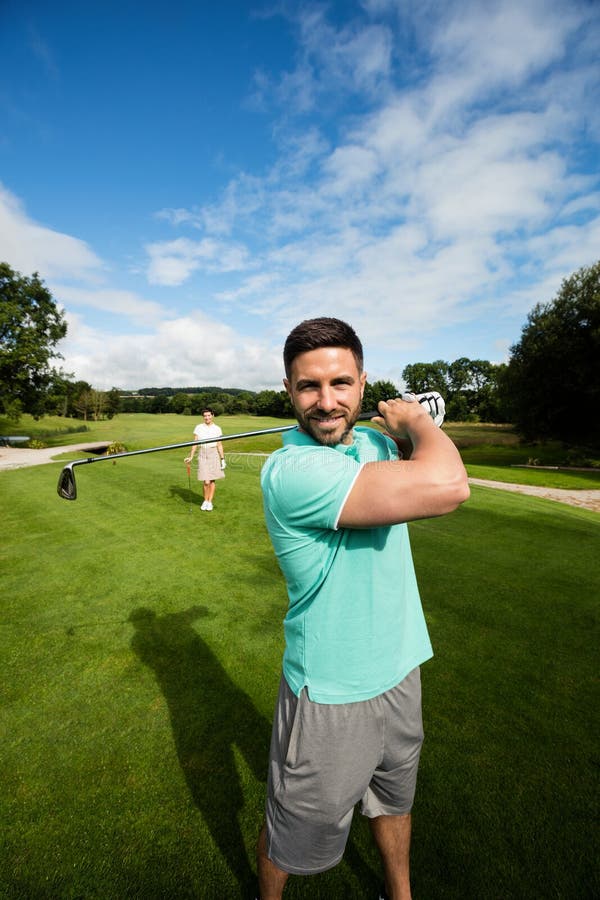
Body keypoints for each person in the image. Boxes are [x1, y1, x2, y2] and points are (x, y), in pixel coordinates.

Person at [256, 317, 470, 900]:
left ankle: (399, 895)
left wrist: (401, 428)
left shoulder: (371, 443)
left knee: (395, 798)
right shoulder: (292, 473)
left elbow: (405, 449)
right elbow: (450, 485)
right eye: (309, 387)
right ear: (288, 390)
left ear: (362, 383)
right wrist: (417, 421)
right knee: (294, 832)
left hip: (400, 666)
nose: (326, 403)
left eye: (340, 384)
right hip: (331, 690)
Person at [184, 407, 226, 511]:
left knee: (212, 480)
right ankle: (205, 500)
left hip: (213, 454)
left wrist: (222, 459)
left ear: (212, 416)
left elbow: (219, 445)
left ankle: (209, 502)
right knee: (206, 481)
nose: (207, 417)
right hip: (202, 453)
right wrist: (191, 456)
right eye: (205, 416)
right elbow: (195, 443)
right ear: (203, 417)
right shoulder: (199, 427)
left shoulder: (217, 428)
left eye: (208, 415)